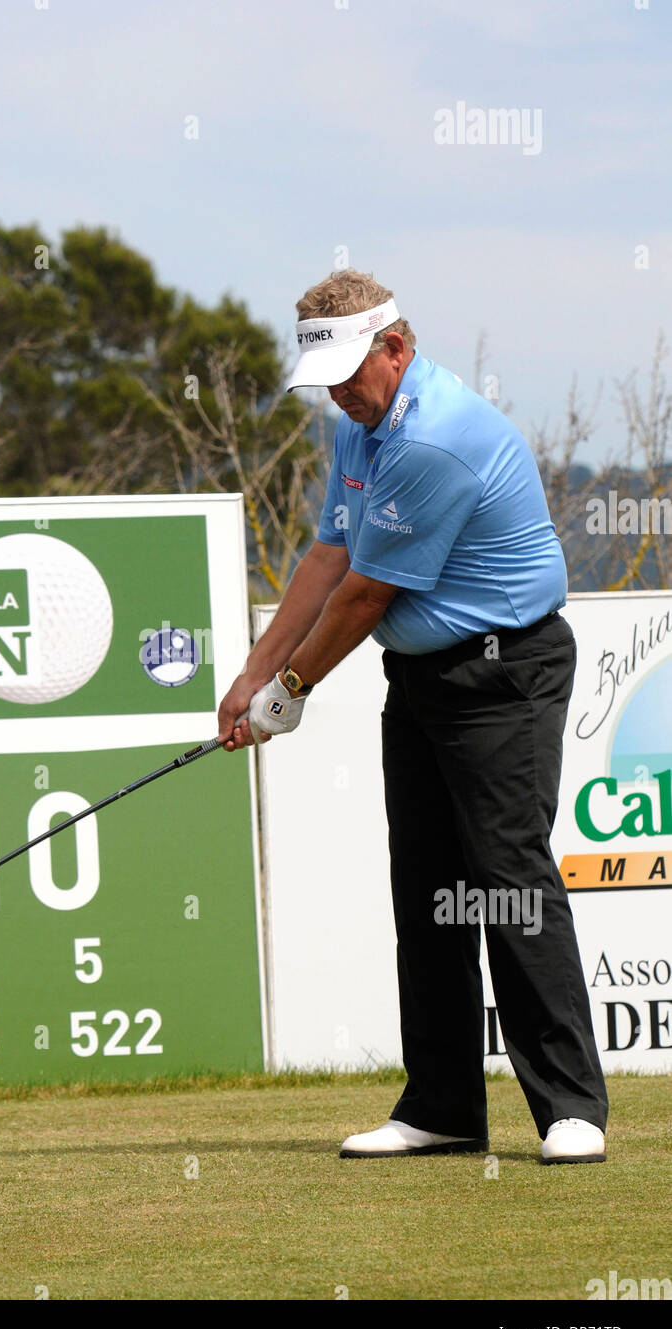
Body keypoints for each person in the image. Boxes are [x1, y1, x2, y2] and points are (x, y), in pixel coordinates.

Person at [217, 268, 609, 1165]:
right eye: (328, 380)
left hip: (505, 673)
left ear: (396, 346)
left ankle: (567, 1108)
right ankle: (441, 1106)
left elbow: (362, 598)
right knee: (426, 884)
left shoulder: (438, 438)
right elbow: (325, 557)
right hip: (426, 677)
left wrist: (290, 693)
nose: (340, 393)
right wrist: (253, 671)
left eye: (354, 372)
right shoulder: (362, 432)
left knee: (504, 874)